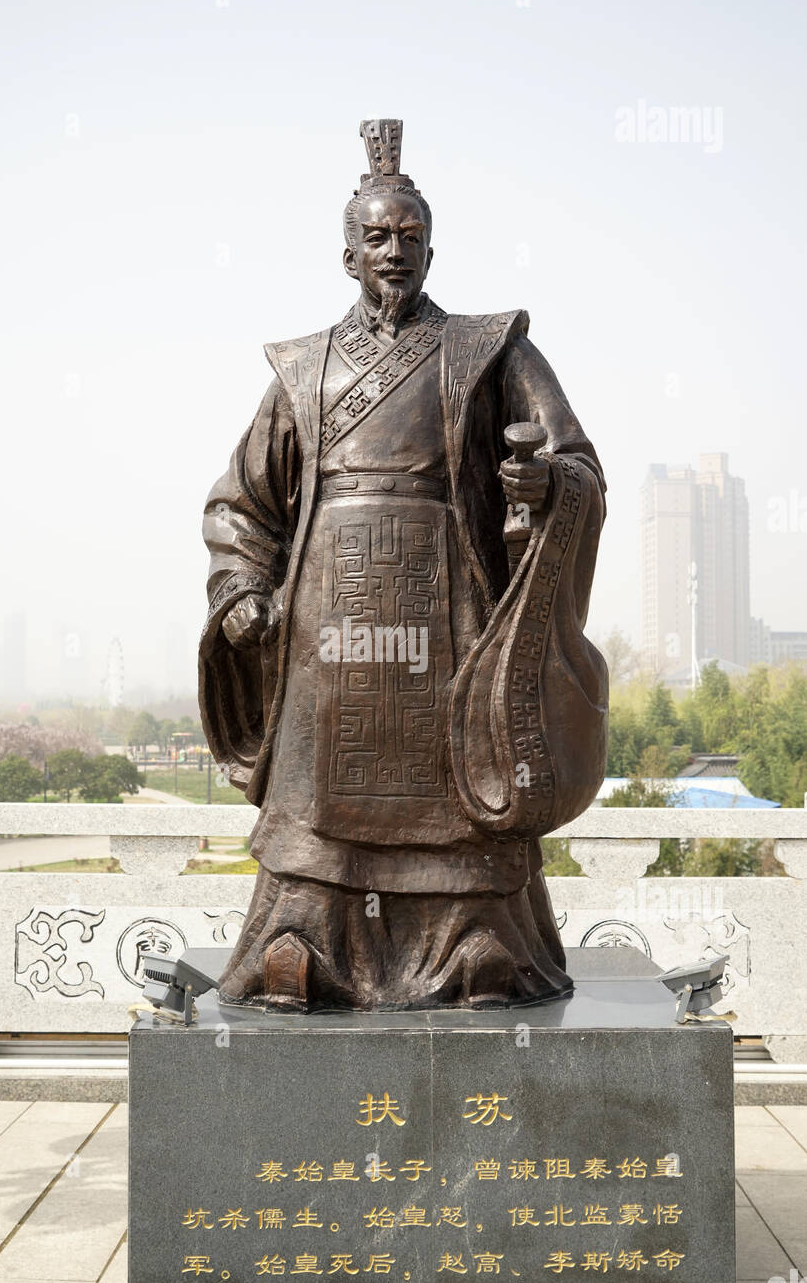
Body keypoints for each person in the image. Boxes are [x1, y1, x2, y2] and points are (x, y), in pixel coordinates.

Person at [199, 119, 608, 1010]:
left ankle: (475, 948)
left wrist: (541, 485)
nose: (395, 252)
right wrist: (240, 587)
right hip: (327, 614)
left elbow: (577, 464)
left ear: (432, 249)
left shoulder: (487, 348)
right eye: (377, 238)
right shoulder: (302, 370)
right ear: (346, 254)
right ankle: (300, 945)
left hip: (446, 606)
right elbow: (242, 503)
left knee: (457, 796)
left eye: (411, 238)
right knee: (320, 796)